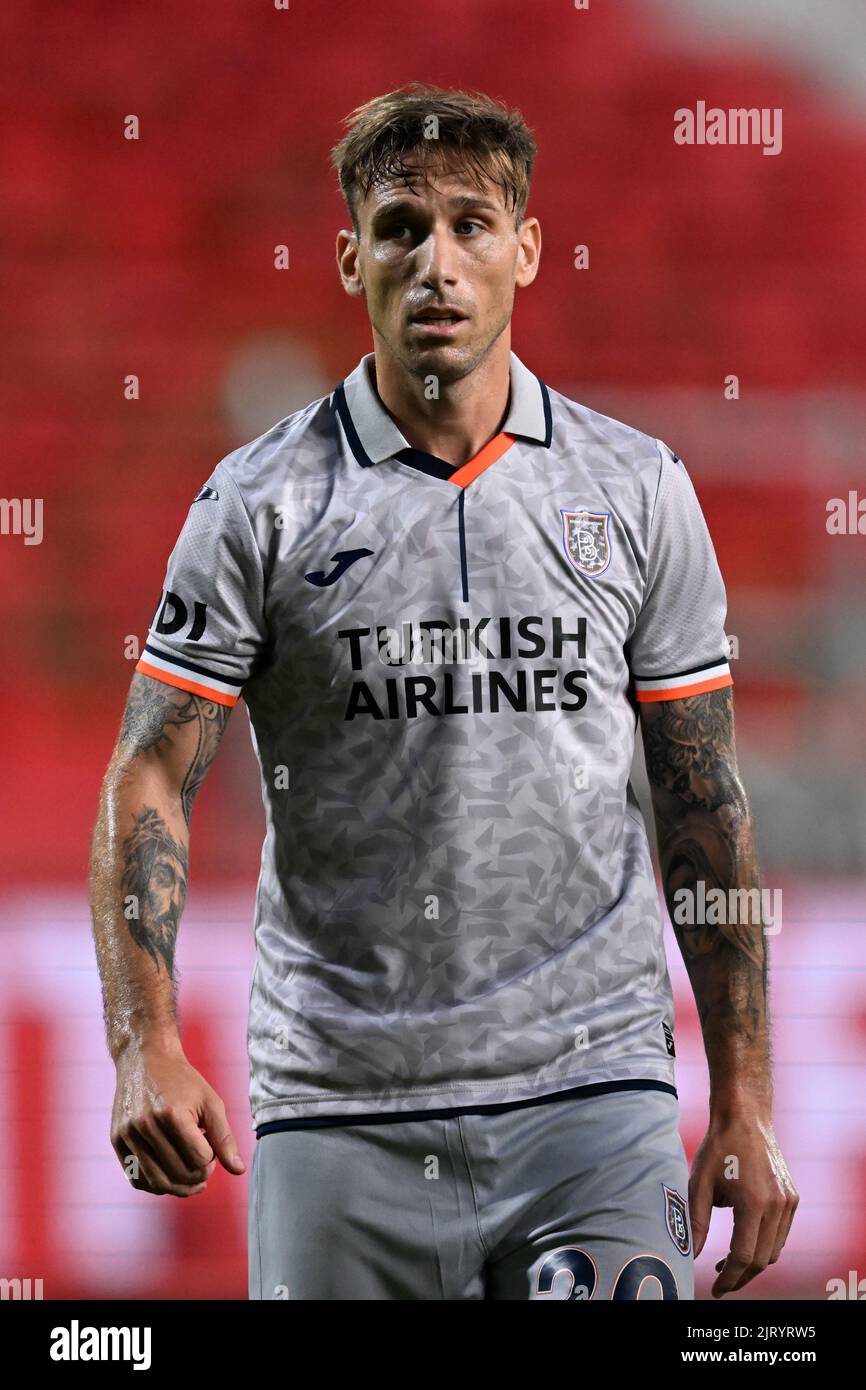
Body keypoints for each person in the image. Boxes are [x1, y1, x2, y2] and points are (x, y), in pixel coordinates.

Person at [90, 82, 797, 1300]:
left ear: (524, 252)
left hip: (593, 1096)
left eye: (472, 224)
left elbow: (700, 799)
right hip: (337, 1107)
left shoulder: (635, 489)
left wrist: (743, 1093)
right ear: (347, 256)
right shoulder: (258, 503)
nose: (436, 262)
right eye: (402, 226)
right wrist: (141, 1039)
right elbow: (151, 767)